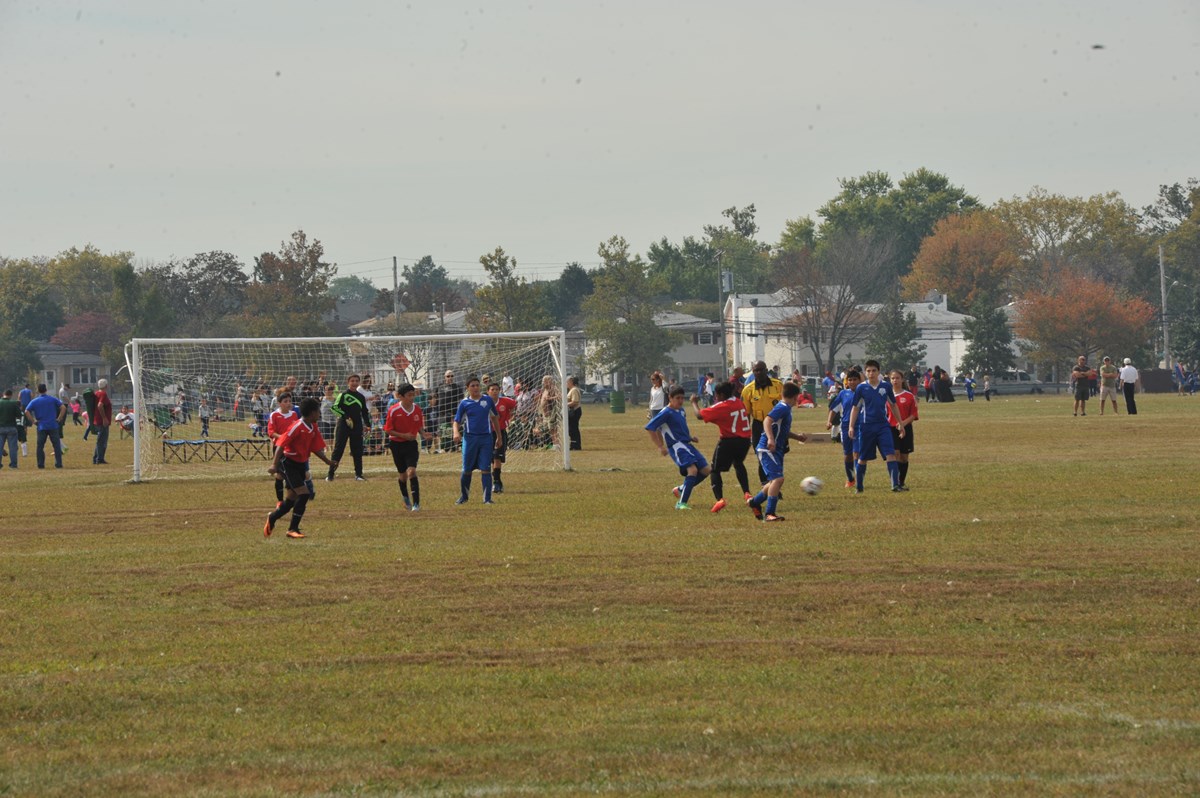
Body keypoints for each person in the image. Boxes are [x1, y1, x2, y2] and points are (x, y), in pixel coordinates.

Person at [264, 398, 334, 539]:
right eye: (318, 411)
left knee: (291, 500)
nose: (319, 414)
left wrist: (328, 461)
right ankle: (292, 529)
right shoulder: (297, 426)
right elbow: (281, 444)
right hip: (288, 463)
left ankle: (272, 517)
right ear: (312, 413)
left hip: (300, 464)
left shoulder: (313, 426)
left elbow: (315, 448)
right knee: (304, 494)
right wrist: (274, 465)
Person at [746, 381, 808, 523]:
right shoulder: (783, 407)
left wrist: (797, 437)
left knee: (774, 481)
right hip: (767, 448)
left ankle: (754, 502)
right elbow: (767, 421)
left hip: (776, 449)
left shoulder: (786, 408)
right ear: (795, 397)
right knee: (778, 479)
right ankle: (769, 513)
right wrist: (770, 439)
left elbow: (783, 430)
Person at [645, 386, 711, 511]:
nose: (680, 401)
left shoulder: (681, 410)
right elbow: (650, 428)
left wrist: (690, 438)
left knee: (707, 470)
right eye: (677, 398)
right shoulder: (666, 412)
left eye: (682, 398)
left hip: (687, 444)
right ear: (670, 398)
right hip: (677, 446)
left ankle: (680, 489)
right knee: (692, 470)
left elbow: (679, 428)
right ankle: (681, 503)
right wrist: (660, 446)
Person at [690, 382, 752, 513]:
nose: (715, 398)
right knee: (738, 464)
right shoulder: (738, 401)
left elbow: (699, 415)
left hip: (729, 441)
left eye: (716, 395)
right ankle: (747, 493)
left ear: (722, 395)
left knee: (714, 470)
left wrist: (694, 402)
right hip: (745, 440)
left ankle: (720, 499)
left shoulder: (722, 405)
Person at [847, 360, 904, 493]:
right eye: (868, 371)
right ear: (865, 373)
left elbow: (893, 405)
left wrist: (900, 423)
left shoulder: (886, 386)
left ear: (878, 372)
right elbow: (855, 408)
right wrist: (851, 426)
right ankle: (859, 487)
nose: (871, 373)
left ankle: (895, 485)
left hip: (883, 426)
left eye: (874, 371)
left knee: (890, 454)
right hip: (866, 427)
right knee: (863, 458)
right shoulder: (861, 388)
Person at [384, 383, 433, 511]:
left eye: (413, 395)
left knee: (411, 471)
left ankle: (416, 504)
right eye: (409, 395)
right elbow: (388, 430)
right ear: (400, 396)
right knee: (403, 475)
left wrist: (423, 433)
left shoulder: (417, 409)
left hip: (411, 444)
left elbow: (419, 425)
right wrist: (403, 435)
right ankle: (406, 498)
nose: (412, 398)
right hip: (396, 445)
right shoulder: (393, 410)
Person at [453, 376, 500, 504]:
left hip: (486, 439)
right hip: (470, 439)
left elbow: (494, 418)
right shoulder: (464, 403)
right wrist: (456, 432)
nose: (475, 388)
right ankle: (464, 497)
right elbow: (456, 421)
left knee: (486, 468)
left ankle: (487, 499)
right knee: (467, 469)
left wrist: (499, 437)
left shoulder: (487, 400)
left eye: (477, 385)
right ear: (467, 388)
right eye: (472, 386)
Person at [741, 360, 783, 486]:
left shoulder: (778, 385)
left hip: (776, 425)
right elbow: (746, 414)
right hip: (758, 425)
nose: (759, 372)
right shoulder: (748, 390)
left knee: (777, 455)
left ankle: (775, 483)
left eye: (761, 370)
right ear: (753, 372)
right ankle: (766, 484)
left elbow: (786, 406)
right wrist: (745, 433)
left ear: (766, 370)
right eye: (756, 370)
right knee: (762, 455)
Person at [326, 374, 368, 481]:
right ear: (348, 382)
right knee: (338, 449)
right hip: (343, 425)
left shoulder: (361, 397)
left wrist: (368, 425)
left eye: (356, 381)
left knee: (357, 450)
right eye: (352, 381)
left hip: (357, 426)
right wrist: (345, 417)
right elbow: (335, 408)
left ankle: (358, 475)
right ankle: (330, 474)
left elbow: (364, 412)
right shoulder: (343, 395)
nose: (354, 383)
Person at [826, 368, 861, 488]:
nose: (852, 382)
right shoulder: (843, 394)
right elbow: (833, 408)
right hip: (845, 426)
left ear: (859, 381)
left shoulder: (864, 392)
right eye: (850, 380)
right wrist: (829, 421)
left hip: (860, 426)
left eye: (854, 380)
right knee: (848, 455)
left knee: (856, 453)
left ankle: (859, 479)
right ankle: (851, 479)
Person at [268, 391, 301, 505]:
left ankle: (291, 499)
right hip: (279, 448)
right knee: (280, 475)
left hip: (292, 448)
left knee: (291, 474)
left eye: (289, 401)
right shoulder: (274, 415)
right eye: (285, 401)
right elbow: (271, 432)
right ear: (279, 403)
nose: (288, 403)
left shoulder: (294, 414)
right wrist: (283, 438)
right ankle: (280, 501)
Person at [888, 369, 919, 489]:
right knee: (895, 453)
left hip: (906, 428)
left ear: (902, 380)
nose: (895, 380)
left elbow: (914, 414)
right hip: (891, 428)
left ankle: (901, 481)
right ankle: (895, 482)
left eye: (897, 378)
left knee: (904, 457)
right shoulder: (886, 396)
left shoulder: (909, 396)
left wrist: (903, 424)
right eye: (893, 378)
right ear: (890, 380)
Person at [25, 384, 66, 469]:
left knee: (40, 446)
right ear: (46, 390)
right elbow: (63, 407)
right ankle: (58, 464)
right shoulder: (53, 399)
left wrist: (33, 421)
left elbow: (26, 411)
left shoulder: (35, 401)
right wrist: (59, 418)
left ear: (38, 390)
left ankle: (41, 464)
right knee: (56, 445)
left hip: (41, 426)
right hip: (53, 425)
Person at [487, 382, 518, 492]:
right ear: (488, 391)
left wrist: (509, 416)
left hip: (500, 432)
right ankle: (495, 480)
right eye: (492, 389)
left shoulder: (505, 401)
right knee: (491, 458)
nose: (495, 391)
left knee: (497, 456)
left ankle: (496, 482)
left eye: (497, 389)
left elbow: (515, 405)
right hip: (487, 433)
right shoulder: (485, 403)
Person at [434, 370, 462, 453]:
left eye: (452, 376)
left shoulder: (456, 387)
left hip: (453, 412)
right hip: (441, 412)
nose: (450, 377)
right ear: (445, 377)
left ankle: (455, 447)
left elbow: (460, 399)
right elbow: (435, 397)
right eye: (448, 376)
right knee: (442, 429)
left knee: (453, 429)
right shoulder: (440, 386)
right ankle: (444, 447)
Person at [91, 378, 113, 465]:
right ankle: (99, 459)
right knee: (102, 441)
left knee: (100, 440)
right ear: (106, 386)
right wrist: (104, 418)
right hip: (102, 421)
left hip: (97, 420)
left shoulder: (96, 393)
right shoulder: (103, 394)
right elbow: (100, 405)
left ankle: (97, 458)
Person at [0, 388, 21, 469]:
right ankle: (13, 465)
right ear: (11, 395)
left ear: (3, 395)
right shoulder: (13, 403)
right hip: (12, 427)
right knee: (13, 448)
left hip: (0, 427)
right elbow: (19, 415)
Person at [565, 375, 583, 451]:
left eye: (567, 382)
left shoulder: (574, 390)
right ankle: (573, 444)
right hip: (572, 411)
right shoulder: (571, 390)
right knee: (571, 429)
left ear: (571, 382)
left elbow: (575, 402)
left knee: (573, 428)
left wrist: (565, 404)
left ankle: (576, 445)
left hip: (575, 411)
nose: (566, 383)